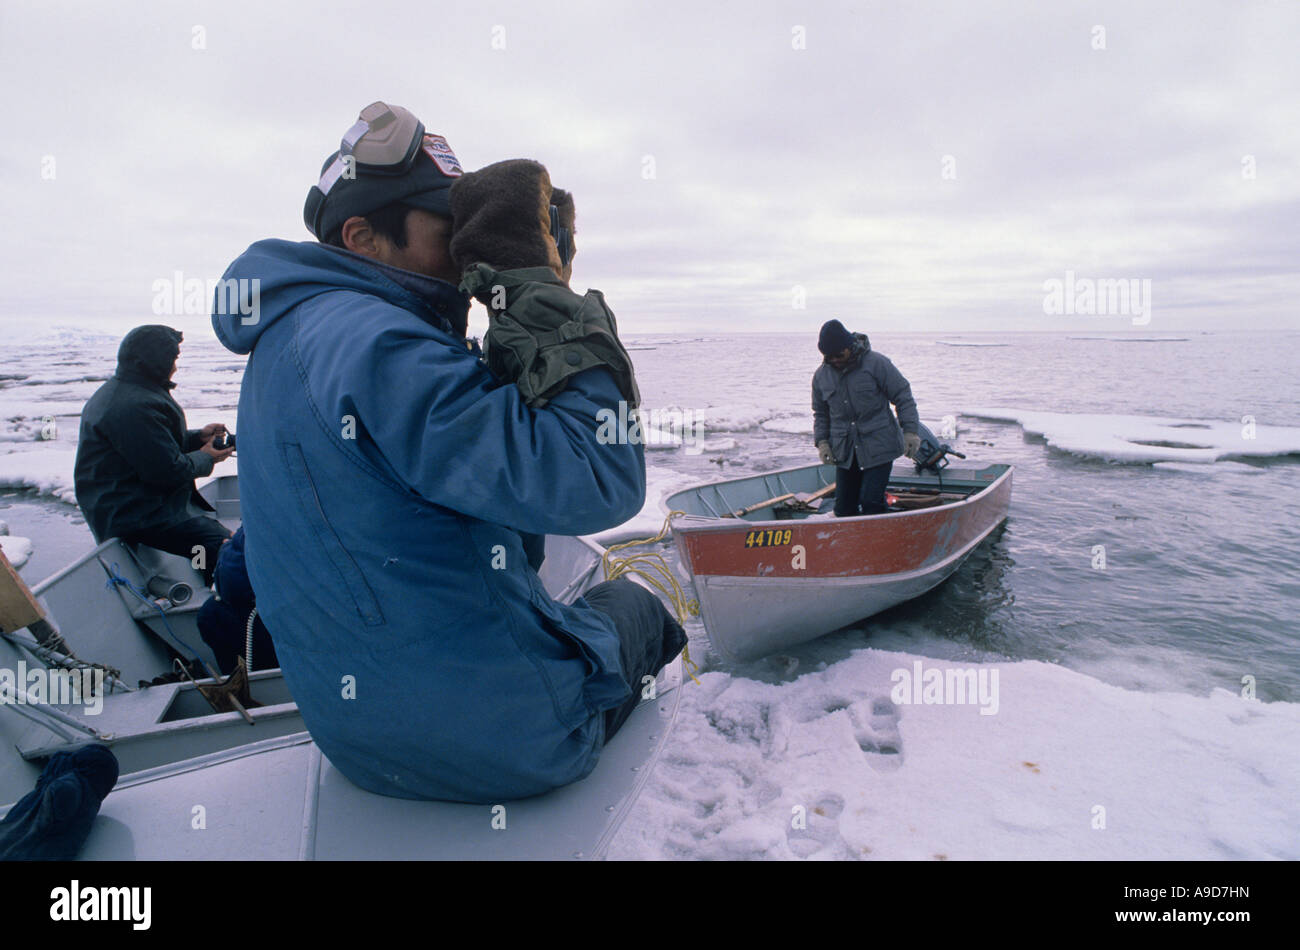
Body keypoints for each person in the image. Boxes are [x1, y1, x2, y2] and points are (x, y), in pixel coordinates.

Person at [212, 101, 684, 804]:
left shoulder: (287, 335)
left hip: (359, 744)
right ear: (364, 236)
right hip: (506, 744)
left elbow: (502, 521)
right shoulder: (384, 345)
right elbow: (600, 477)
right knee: (641, 609)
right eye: (450, 229)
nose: (469, 253)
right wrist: (541, 295)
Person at [74, 325, 233, 584]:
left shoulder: (130, 389)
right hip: (131, 514)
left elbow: (151, 444)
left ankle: (205, 572)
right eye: (172, 359)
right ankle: (221, 597)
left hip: (134, 500)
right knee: (216, 541)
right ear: (153, 361)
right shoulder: (132, 405)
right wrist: (207, 457)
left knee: (204, 535)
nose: (175, 367)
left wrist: (196, 438)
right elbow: (168, 471)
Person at [812, 319, 922, 516]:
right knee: (844, 508)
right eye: (829, 357)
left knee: (871, 501)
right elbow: (821, 414)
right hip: (845, 451)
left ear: (850, 346)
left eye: (839, 355)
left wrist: (911, 432)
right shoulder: (821, 376)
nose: (835, 360)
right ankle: (851, 544)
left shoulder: (877, 364)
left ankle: (886, 540)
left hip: (879, 445)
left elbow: (903, 397)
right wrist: (822, 442)